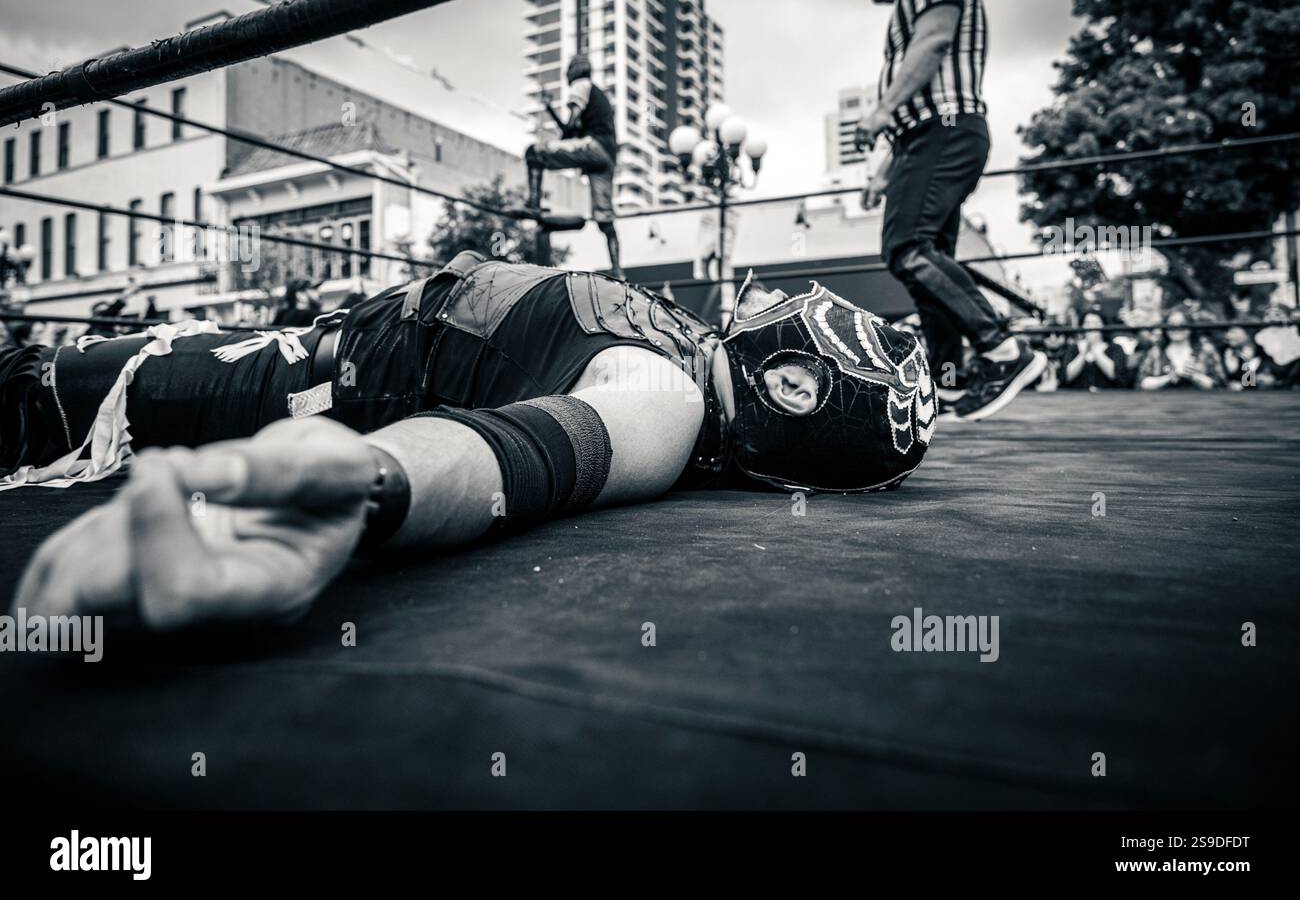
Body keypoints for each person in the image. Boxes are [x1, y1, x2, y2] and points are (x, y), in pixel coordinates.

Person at [3, 254, 936, 628]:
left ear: (794, 381)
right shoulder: (684, 349)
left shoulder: (669, 401)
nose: (770, 302)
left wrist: (364, 481)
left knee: (30, 392)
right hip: (289, 354)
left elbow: (525, 453)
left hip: (251, 390)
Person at [857, 0, 1045, 420]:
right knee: (927, 260)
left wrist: (881, 111)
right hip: (926, 140)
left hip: (944, 131)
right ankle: (950, 384)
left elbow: (934, 41)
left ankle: (1003, 350)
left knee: (908, 248)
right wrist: (885, 172)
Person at [526, 56, 622, 278]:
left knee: (535, 152)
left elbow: (571, 125)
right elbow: (572, 131)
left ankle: (533, 203)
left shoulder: (582, 84)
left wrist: (552, 112)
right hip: (607, 156)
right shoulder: (600, 96)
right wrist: (550, 110)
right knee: (604, 217)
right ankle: (618, 269)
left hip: (593, 147)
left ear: (573, 71)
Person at [1136, 308, 1224, 391]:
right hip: (1161, 404)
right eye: (1171, 324)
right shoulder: (1156, 351)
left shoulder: (1206, 350)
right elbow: (1141, 383)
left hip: (1203, 404)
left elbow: (1219, 385)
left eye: (1182, 324)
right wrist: (1169, 378)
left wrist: (1194, 376)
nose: (1176, 328)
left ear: (1190, 327)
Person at [1060, 311, 1127, 391]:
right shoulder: (1073, 348)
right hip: (1078, 398)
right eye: (1087, 323)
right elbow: (1067, 376)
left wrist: (1095, 348)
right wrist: (1082, 353)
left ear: (1104, 325)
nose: (1092, 327)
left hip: (1108, 397)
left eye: (1096, 323)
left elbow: (1114, 374)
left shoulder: (1115, 348)